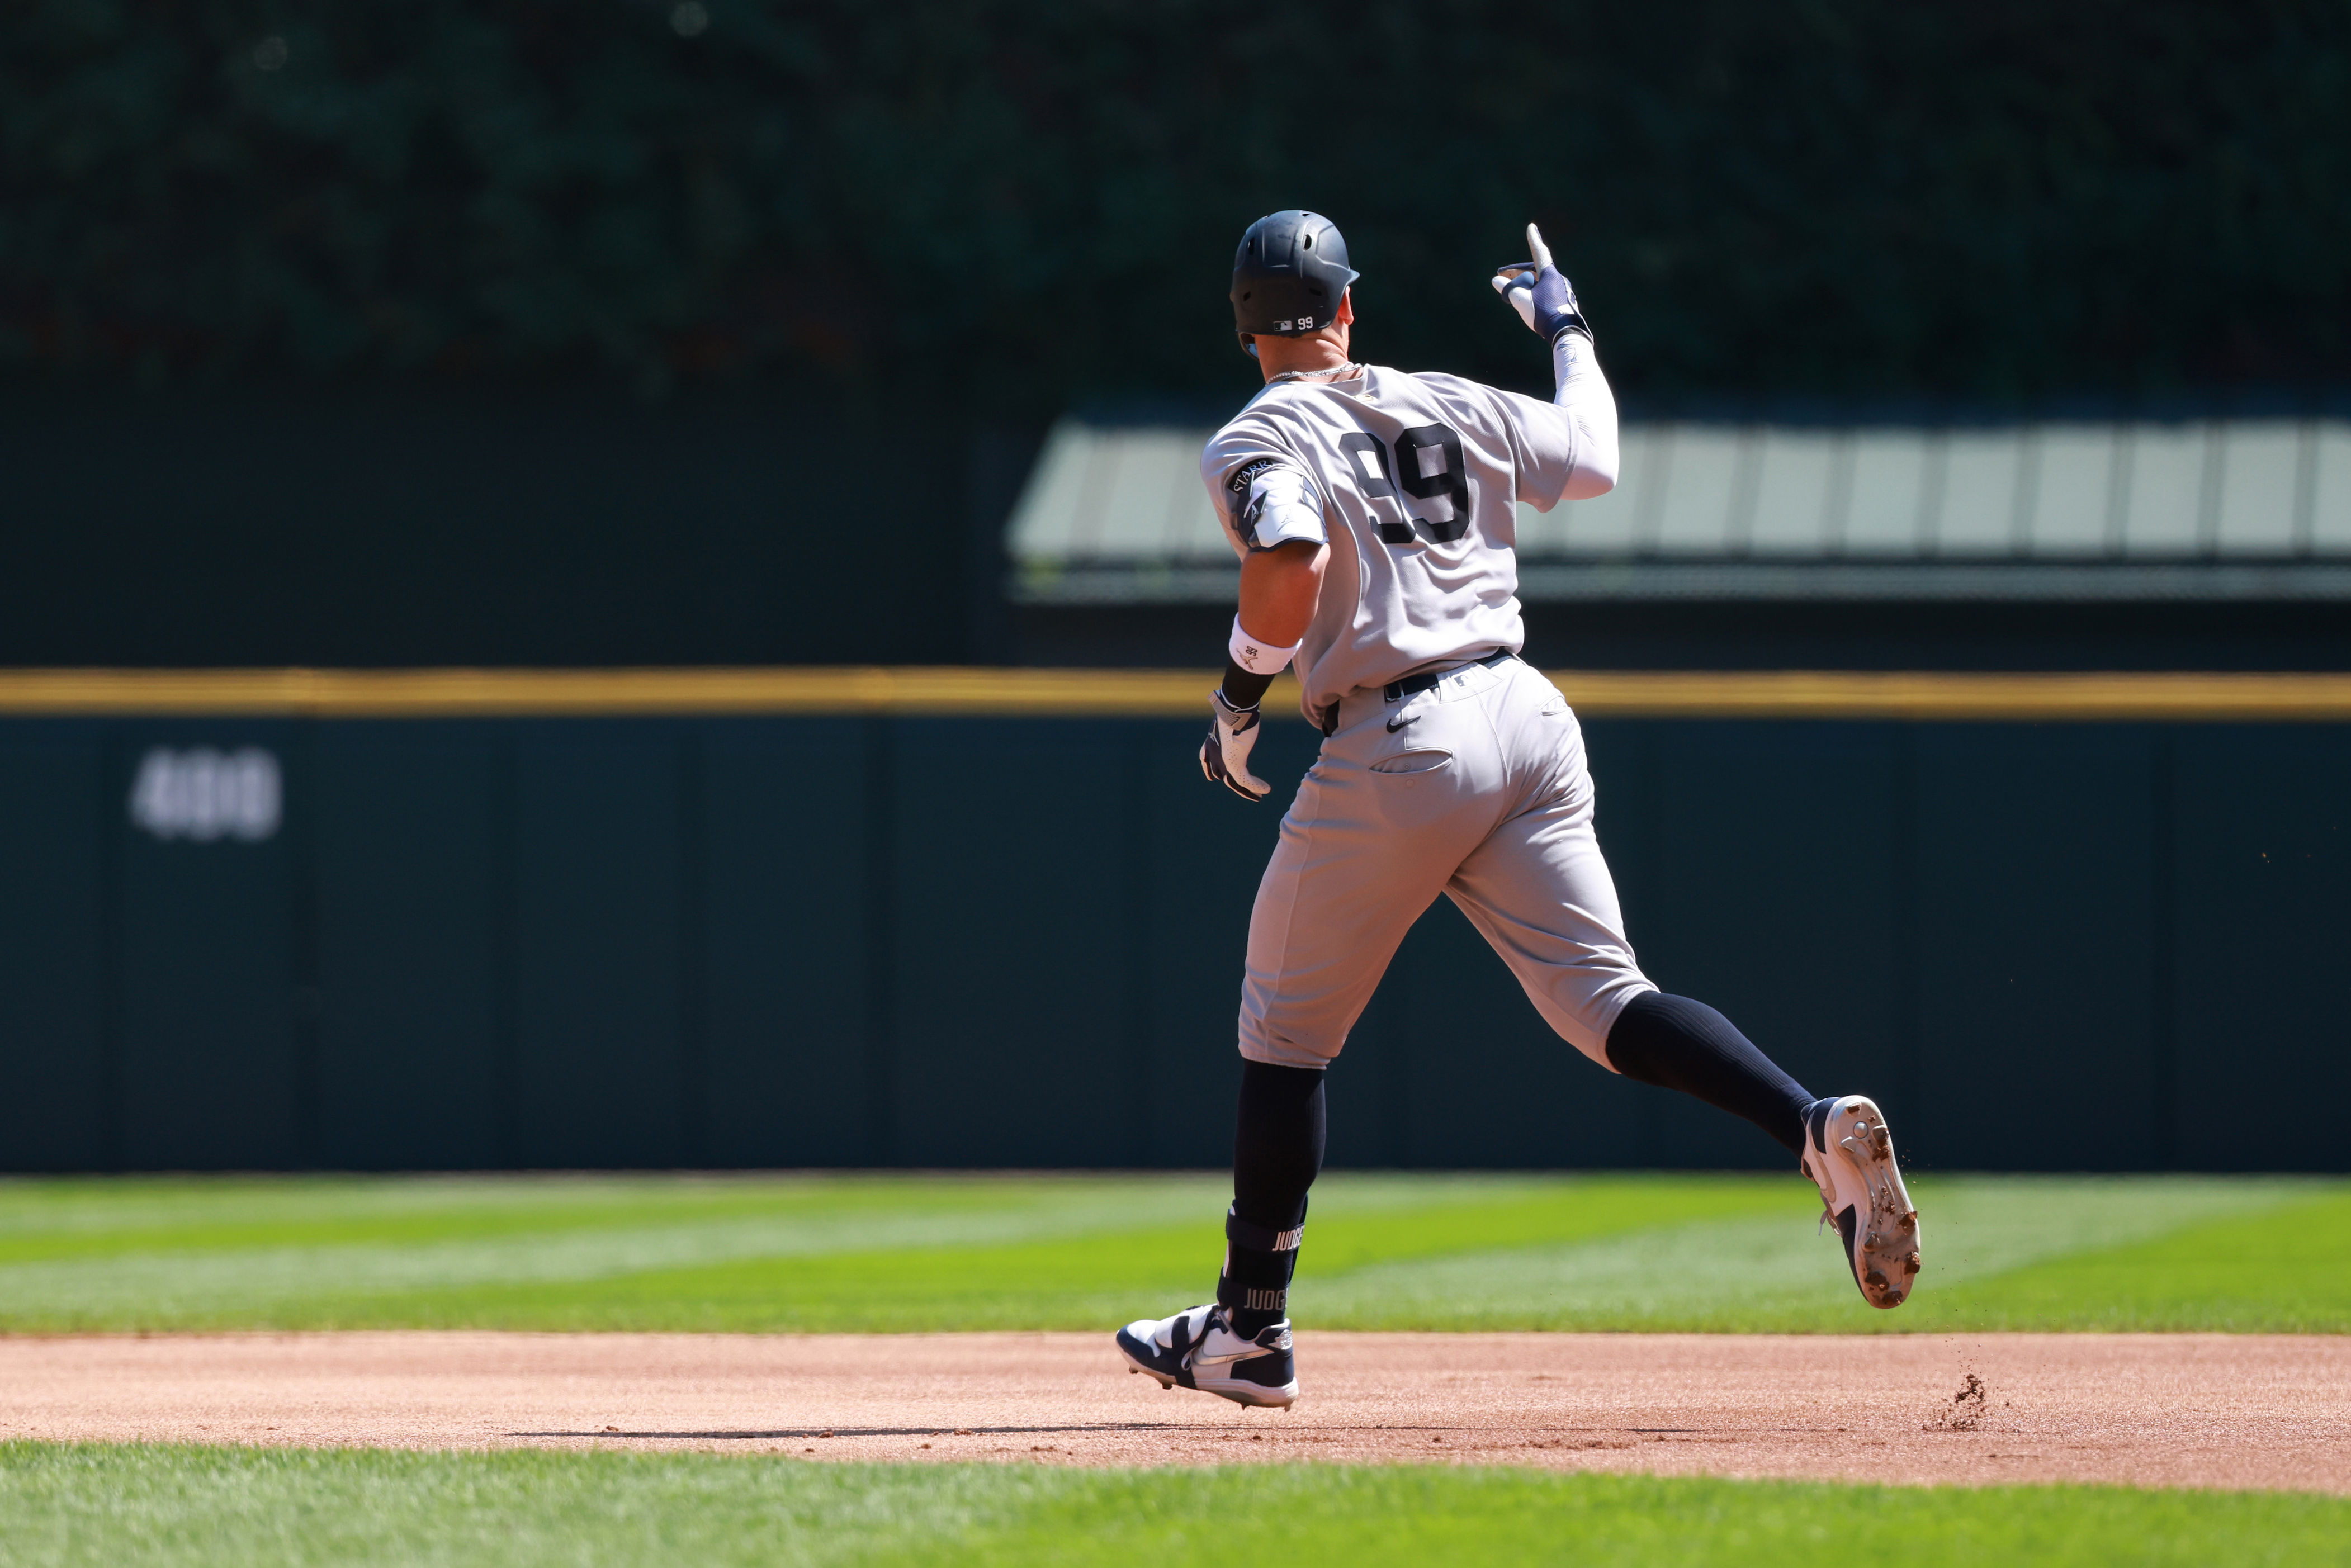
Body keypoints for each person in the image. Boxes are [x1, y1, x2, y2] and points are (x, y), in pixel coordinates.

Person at [1113, 210, 1920, 1409]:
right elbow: (1593, 456)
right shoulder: (1449, 396)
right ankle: (1804, 1120)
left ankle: (1247, 1328)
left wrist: (1236, 695)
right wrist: (1568, 325)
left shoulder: (1259, 428)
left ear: (1244, 327)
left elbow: (1289, 553)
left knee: (1283, 1037)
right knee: (1610, 1001)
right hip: (1525, 708)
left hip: (1398, 735)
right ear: (1347, 310)